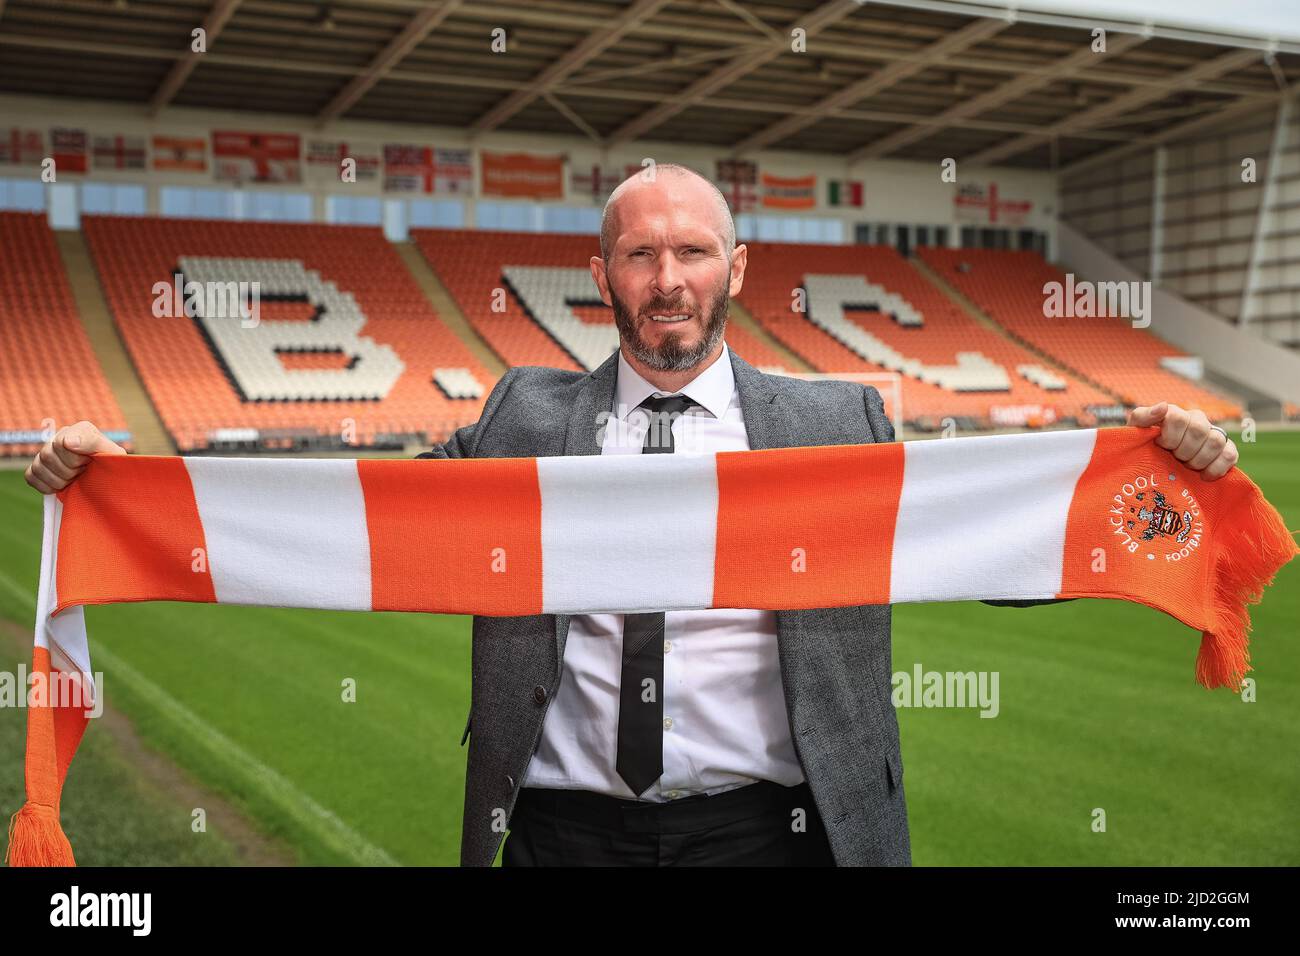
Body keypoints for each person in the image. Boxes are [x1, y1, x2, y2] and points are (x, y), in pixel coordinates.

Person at [25, 164, 1240, 867]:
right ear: (600, 273)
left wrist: (1168, 481)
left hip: (780, 829)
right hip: (562, 831)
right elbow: (350, 516)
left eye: (694, 253)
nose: (669, 280)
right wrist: (117, 476)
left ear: (737, 269)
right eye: (643, 255)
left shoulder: (837, 418)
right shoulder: (519, 414)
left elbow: (1009, 545)